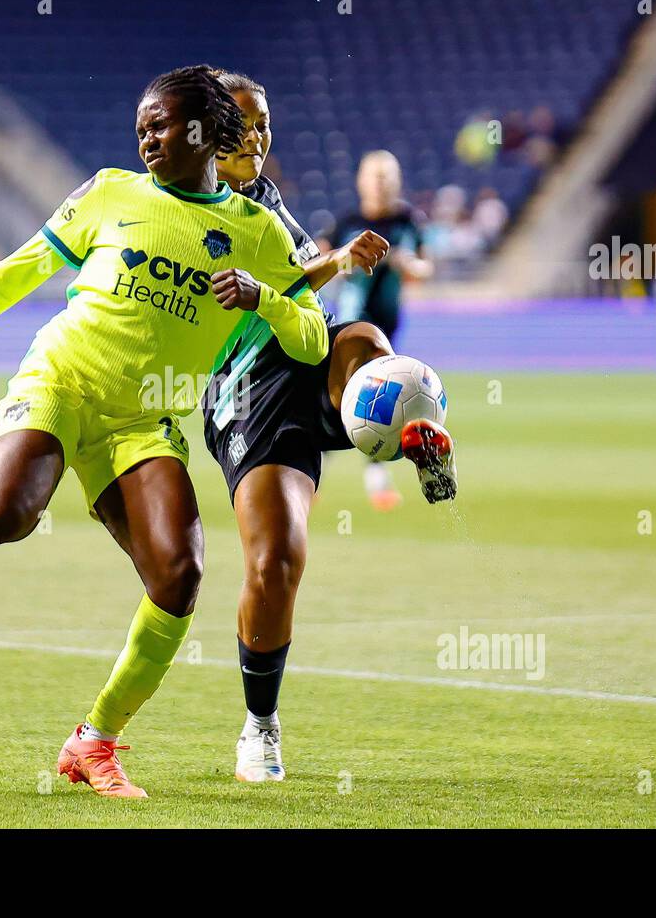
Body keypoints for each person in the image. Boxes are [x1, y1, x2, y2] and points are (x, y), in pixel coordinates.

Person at [0, 65, 328, 798]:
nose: (145, 135)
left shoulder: (258, 233)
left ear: (204, 132)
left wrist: (264, 299)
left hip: (144, 419)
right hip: (62, 382)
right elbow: (14, 275)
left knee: (179, 577)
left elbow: (310, 338)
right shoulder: (110, 192)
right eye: (141, 123)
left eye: (160, 123)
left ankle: (95, 741)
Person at [204, 71, 458, 782]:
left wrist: (330, 267)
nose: (257, 138)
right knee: (277, 560)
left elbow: (290, 287)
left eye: (264, 124)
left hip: (308, 355)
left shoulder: (266, 200)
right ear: (203, 131)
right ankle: (259, 724)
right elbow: (234, 301)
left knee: (367, 342)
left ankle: (409, 433)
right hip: (248, 392)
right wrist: (333, 263)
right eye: (241, 124)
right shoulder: (178, 210)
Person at [322, 150, 433, 510]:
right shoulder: (347, 224)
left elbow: (425, 267)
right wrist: (341, 264)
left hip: (389, 329)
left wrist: (408, 264)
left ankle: (368, 476)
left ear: (397, 181)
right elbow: (318, 260)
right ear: (361, 181)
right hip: (351, 329)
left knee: (378, 404)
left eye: (387, 175)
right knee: (350, 399)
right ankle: (327, 470)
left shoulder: (408, 220)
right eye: (374, 175)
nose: (380, 182)